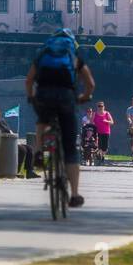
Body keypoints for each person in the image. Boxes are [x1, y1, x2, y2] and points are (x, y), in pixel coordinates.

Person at [26, 27, 95, 208]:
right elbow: (90, 83)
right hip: (66, 97)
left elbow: (29, 80)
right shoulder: (74, 54)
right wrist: (85, 97)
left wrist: (31, 96)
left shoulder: (43, 52)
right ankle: (75, 194)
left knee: (42, 120)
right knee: (70, 148)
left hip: (44, 95)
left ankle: (40, 151)